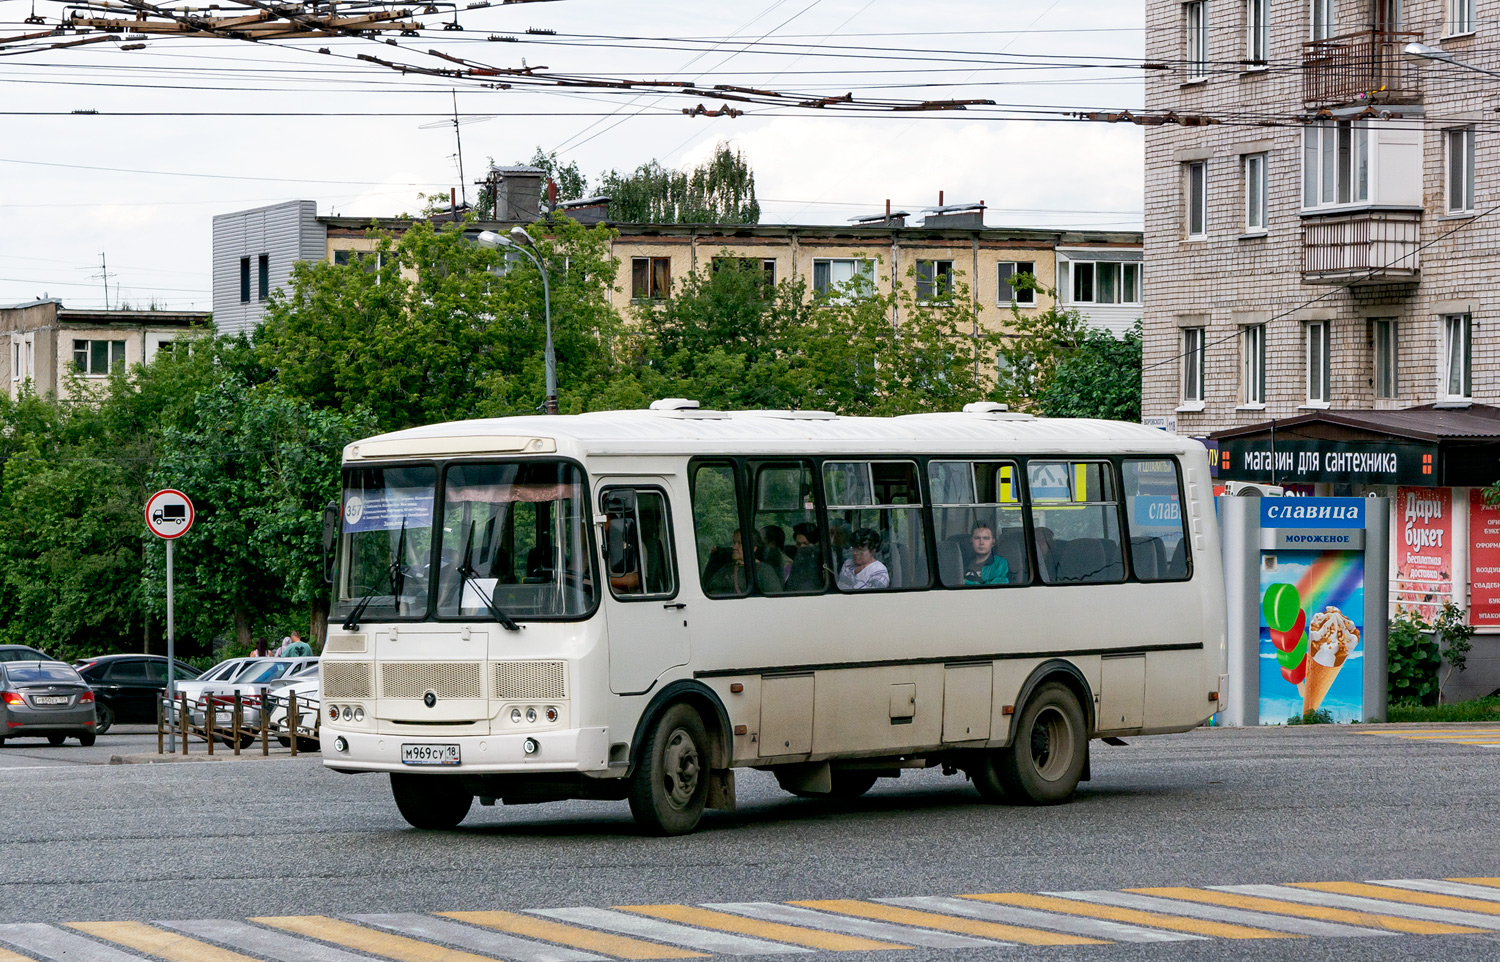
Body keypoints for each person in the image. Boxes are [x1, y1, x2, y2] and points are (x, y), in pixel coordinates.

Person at [706, 529, 784, 595]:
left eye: (739, 544)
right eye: (734, 543)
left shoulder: (764, 570)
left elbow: (775, 599)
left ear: (753, 548)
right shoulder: (726, 568)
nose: (734, 547)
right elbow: (710, 590)